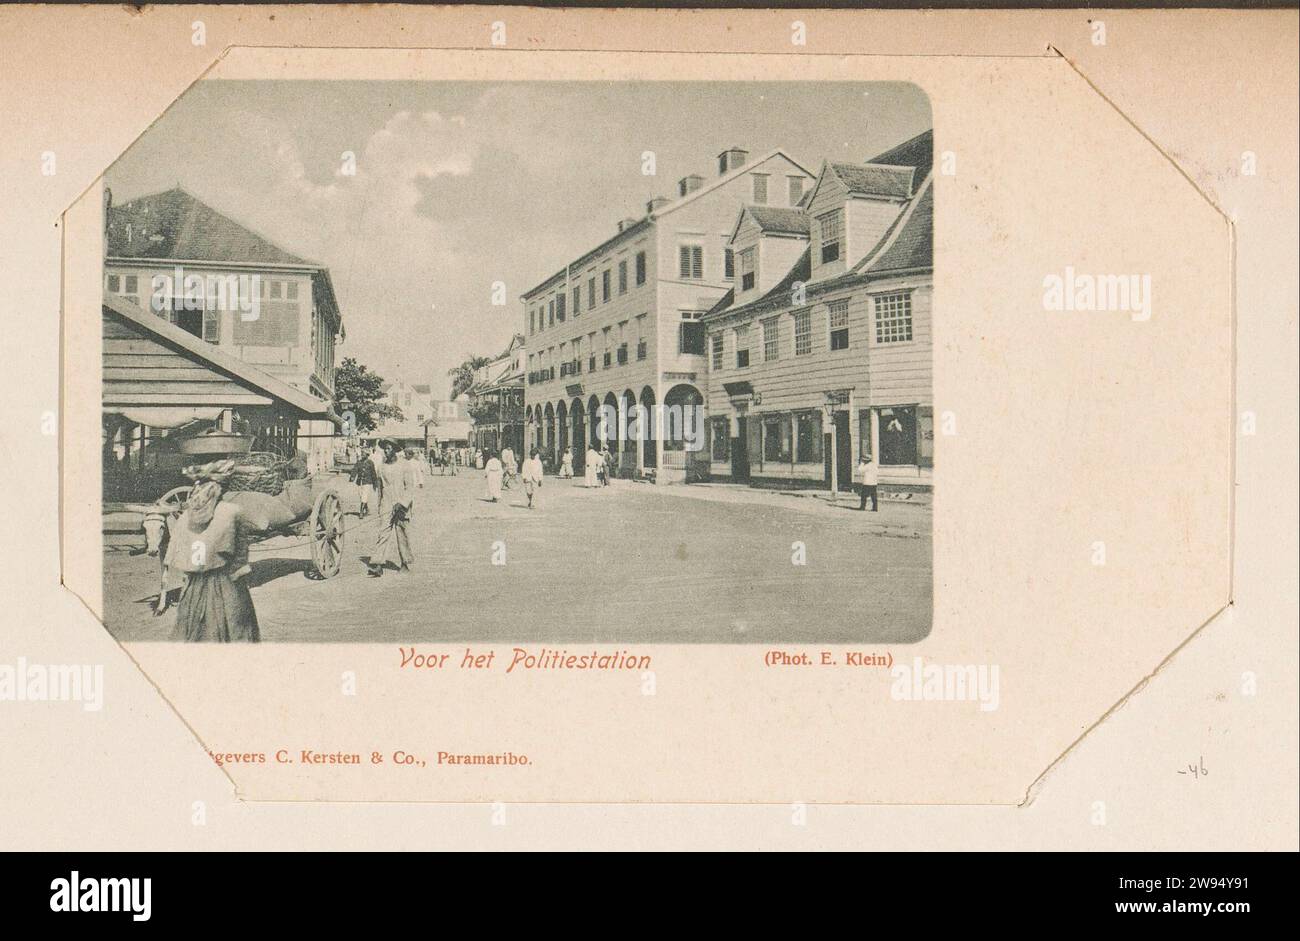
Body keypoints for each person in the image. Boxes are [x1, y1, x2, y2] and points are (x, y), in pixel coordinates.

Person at [165, 461, 259, 642]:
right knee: (234, 628)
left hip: (195, 585)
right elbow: (239, 554)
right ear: (224, 488)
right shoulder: (232, 511)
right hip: (226, 584)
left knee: (192, 631)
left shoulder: (187, 515)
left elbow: (181, 550)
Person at [367, 441, 415, 576]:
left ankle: (405, 563)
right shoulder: (381, 467)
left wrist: (402, 503)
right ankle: (377, 564)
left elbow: (410, 487)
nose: (385, 451)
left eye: (388, 449)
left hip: (401, 505)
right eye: (384, 449)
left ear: (394, 450)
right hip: (386, 504)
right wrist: (380, 505)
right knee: (383, 533)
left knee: (402, 534)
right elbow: (381, 489)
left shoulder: (405, 466)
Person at [349, 445, 378, 517]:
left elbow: (373, 473)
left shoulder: (370, 463)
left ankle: (361, 512)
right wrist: (352, 477)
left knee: (364, 496)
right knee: (361, 496)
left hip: (367, 482)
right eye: (361, 453)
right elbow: (354, 470)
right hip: (359, 482)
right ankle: (367, 509)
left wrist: (375, 483)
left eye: (363, 453)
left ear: (367, 455)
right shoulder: (359, 462)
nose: (362, 454)